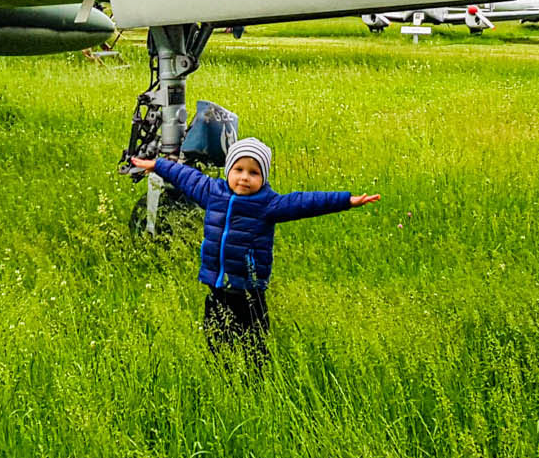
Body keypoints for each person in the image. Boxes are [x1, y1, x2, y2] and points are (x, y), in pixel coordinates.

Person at [126, 137, 379, 365]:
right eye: (238, 170)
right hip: (216, 287)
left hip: (249, 291)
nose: (244, 177)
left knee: (254, 345)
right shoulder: (213, 193)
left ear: (264, 178)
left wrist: (347, 200)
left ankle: (256, 381)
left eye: (254, 173)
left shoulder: (268, 204)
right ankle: (222, 375)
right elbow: (185, 176)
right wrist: (157, 165)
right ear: (228, 170)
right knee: (216, 340)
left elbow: (306, 202)